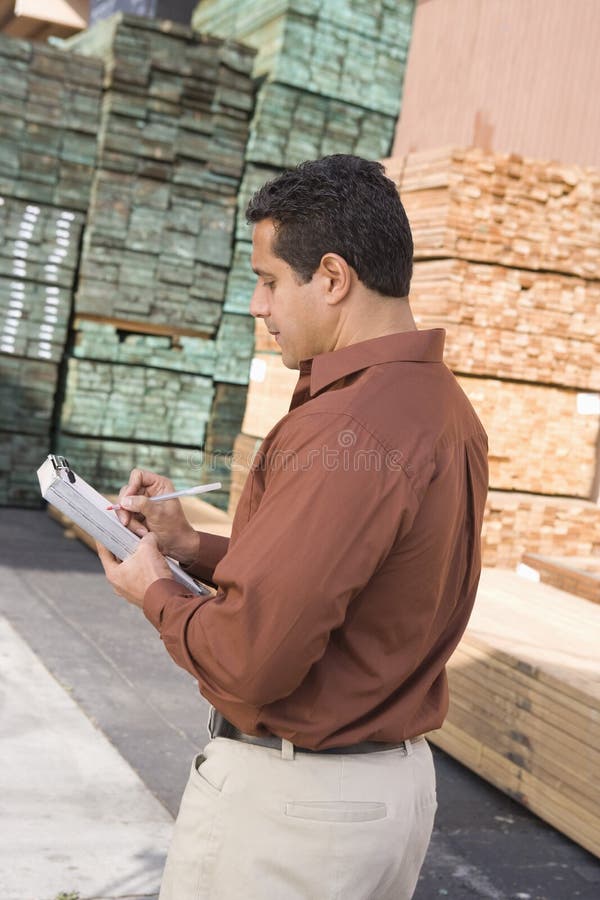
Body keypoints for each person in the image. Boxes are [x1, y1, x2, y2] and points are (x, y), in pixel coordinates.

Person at [97, 154, 489, 900]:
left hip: (297, 815)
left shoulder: (349, 425)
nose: (256, 304)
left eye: (269, 280)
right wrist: (189, 548)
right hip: (384, 796)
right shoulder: (443, 408)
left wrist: (154, 589)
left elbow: (250, 661)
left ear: (334, 279)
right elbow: (357, 584)